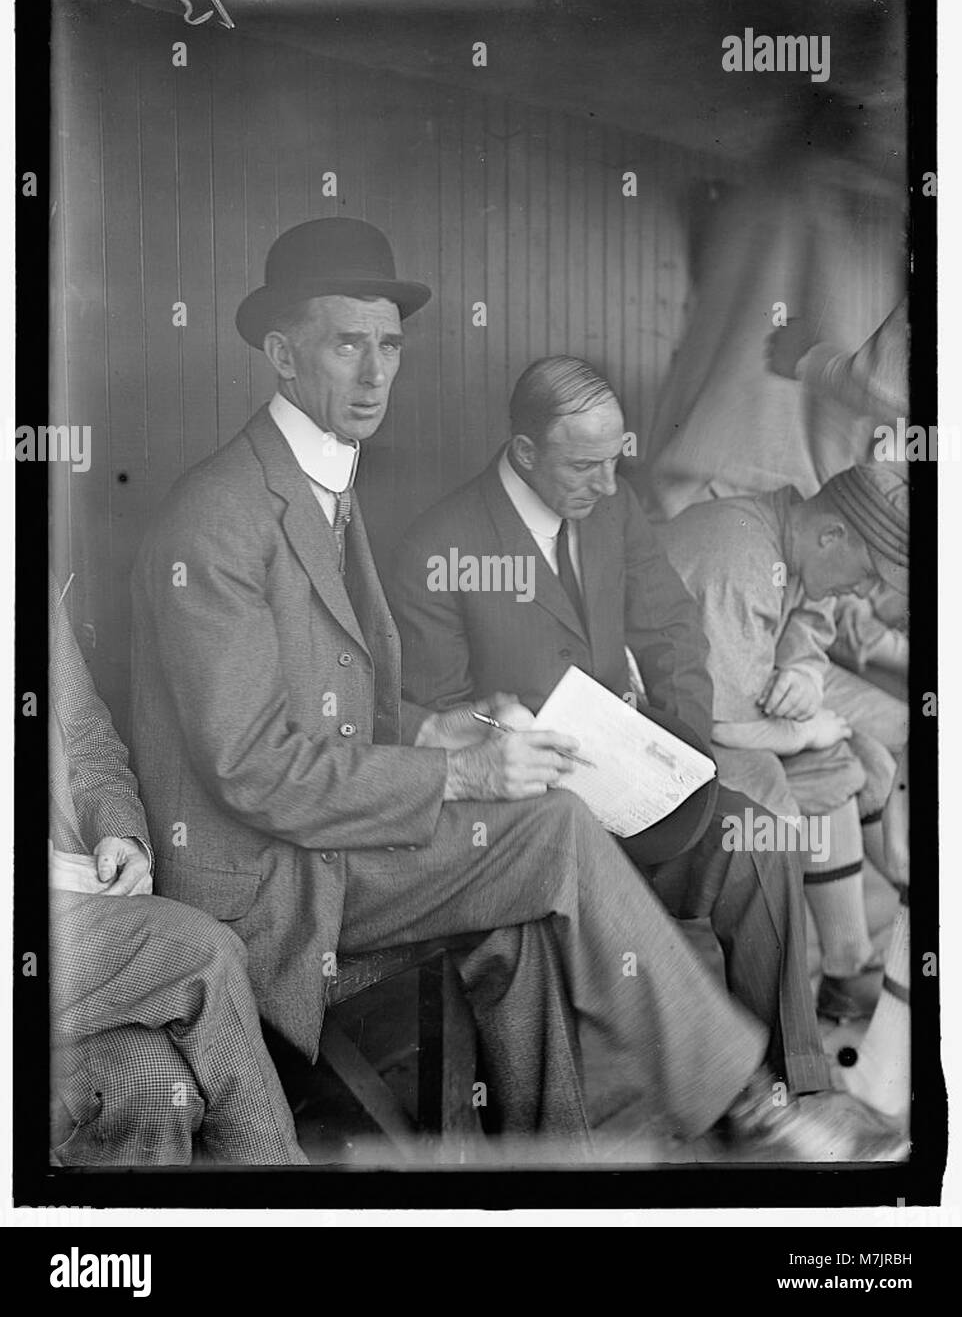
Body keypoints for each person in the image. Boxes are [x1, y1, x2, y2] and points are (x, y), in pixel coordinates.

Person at [130, 218, 901, 1161]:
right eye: (346, 344)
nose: (376, 374)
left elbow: (341, 708)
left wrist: (441, 730)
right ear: (282, 355)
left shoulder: (323, 480)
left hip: (331, 832)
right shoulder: (220, 515)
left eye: (389, 345)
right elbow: (252, 771)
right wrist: (463, 776)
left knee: (539, 889)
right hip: (267, 875)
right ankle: (755, 1111)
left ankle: (560, 1168)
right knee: (550, 830)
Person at [390, 355, 866, 1115]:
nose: (609, 485)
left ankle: (795, 1089)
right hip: (532, 818)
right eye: (585, 466)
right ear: (522, 453)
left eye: (618, 461)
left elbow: (671, 629)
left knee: (761, 845)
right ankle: (730, 1103)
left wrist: (684, 759)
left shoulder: (612, 509)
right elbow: (440, 714)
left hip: (636, 786)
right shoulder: (439, 544)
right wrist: (498, 727)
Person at [48, 577, 306, 1166]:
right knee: (203, 951)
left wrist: (123, 835)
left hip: (81, 926)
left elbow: (87, 743)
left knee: (151, 1083)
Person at [657, 462, 909, 1022]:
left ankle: (856, 960)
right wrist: (802, 729)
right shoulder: (741, 556)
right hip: (660, 740)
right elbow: (718, 721)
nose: (865, 594)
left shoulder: (793, 539)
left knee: (861, 756)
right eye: (868, 574)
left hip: (716, 722)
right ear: (832, 535)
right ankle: (811, 987)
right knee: (826, 759)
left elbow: (811, 617)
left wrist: (803, 672)